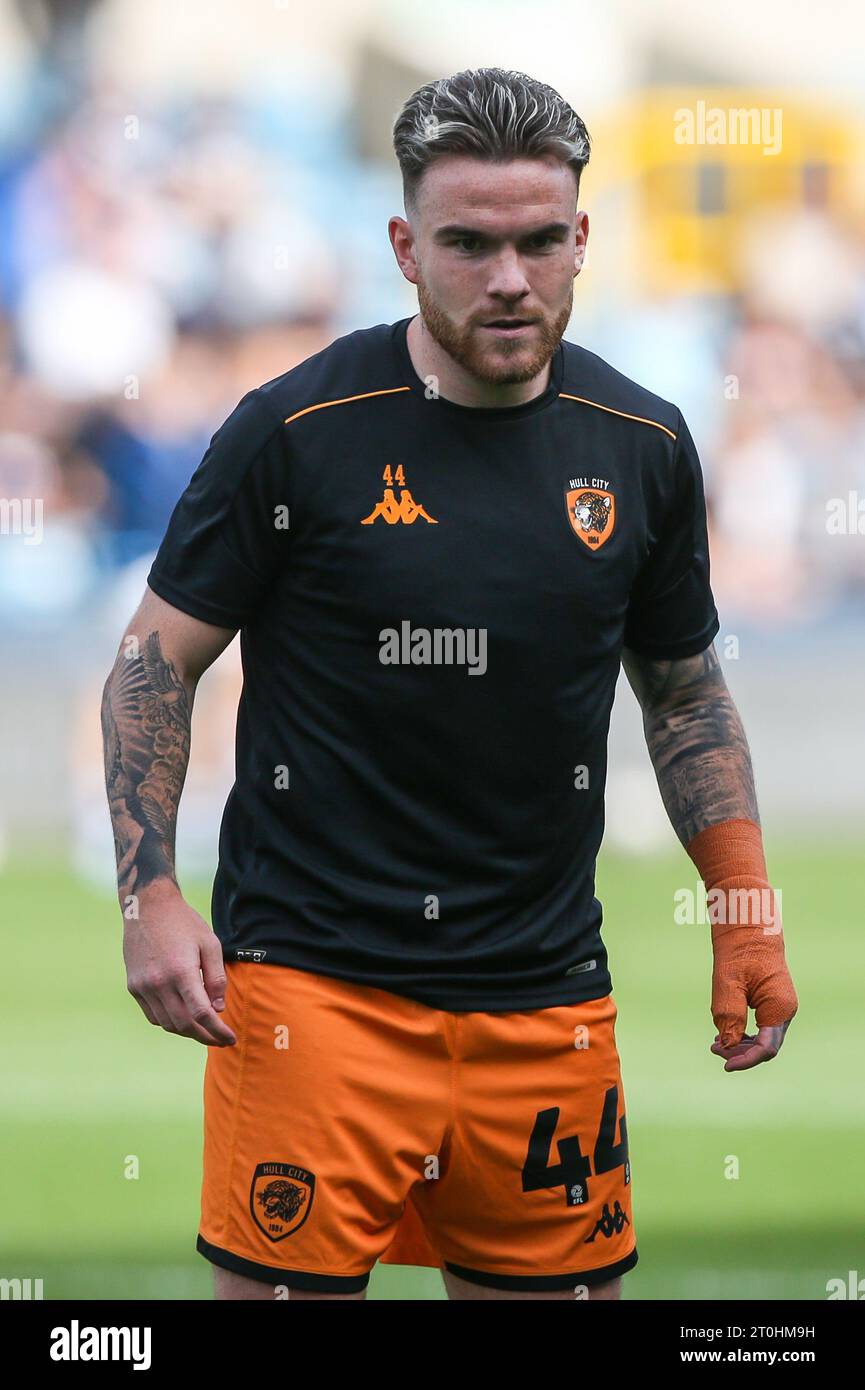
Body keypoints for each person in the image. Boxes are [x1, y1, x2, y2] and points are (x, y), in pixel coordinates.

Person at [100, 67, 798, 1302]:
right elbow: (157, 660)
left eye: (539, 241)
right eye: (469, 244)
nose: (510, 277)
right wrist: (148, 891)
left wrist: (741, 908)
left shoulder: (643, 445)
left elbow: (685, 692)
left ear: (581, 237)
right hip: (314, 987)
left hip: (543, 1000)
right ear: (405, 246)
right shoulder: (297, 429)